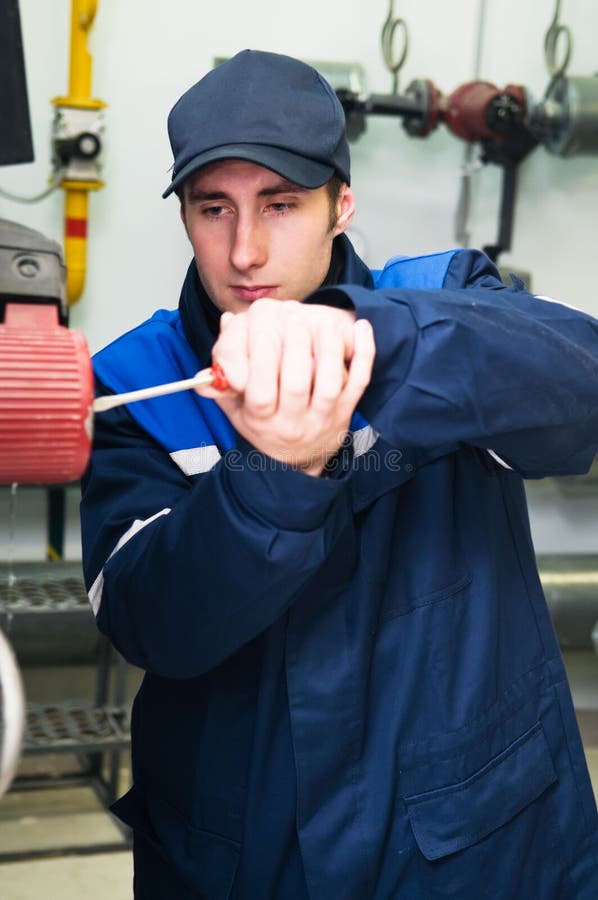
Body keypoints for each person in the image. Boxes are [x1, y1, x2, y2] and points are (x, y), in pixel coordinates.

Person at [80, 49, 598, 899]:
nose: (245, 250)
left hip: (468, 849)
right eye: (215, 208)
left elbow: (578, 390)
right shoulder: (138, 385)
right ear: (185, 216)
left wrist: (372, 340)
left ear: (341, 205)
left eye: (280, 205)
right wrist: (276, 470)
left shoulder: (442, 298)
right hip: (244, 857)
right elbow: (153, 621)